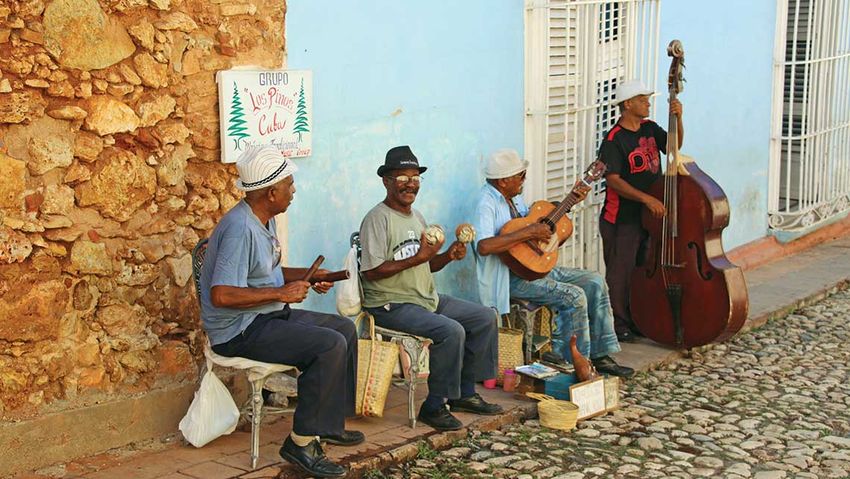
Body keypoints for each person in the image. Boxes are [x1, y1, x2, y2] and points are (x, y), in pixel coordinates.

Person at [198, 145, 361, 479]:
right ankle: (300, 443)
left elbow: (269, 273)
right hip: (238, 332)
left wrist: (312, 275)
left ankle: (326, 425)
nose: (294, 190)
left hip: (266, 315)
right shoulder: (239, 228)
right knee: (328, 346)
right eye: (289, 185)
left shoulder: (264, 219)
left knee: (344, 330)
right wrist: (281, 293)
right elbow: (221, 295)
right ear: (271, 192)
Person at [359, 145, 502, 432]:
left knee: (485, 317)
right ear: (386, 181)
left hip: (424, 299)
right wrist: (419, 257)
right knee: (450, 331)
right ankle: (434, 406)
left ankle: (464, 394)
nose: (410, 184)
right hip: (390, 304)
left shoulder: (417, 217)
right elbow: (371, 272)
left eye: (415, 178)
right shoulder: (377, 218)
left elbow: (426, 265)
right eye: (402, 178)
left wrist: (448, 255)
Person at [473, 149, 634, 378]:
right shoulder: (486, 203)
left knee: (595, 281)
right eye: (521, 175)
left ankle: (601, 354)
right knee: (574, 296)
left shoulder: (514, 196)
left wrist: (566, 204)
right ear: (504, 180)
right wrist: (529, 232)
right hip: (507, 278)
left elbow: (533, 223)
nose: (524, 179)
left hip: (533, 269)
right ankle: (574, 363)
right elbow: (484, 246)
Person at [597, 79, 683, 342]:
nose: (647, 102)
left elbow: (672, 147)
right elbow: (613, 180)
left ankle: (639, 319)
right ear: (627, 104)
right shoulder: (613, 140)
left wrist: (678, 119)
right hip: (621, 218)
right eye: (642, 99)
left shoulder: (649, 128)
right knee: (620, 274)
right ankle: (620, 325)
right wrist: (646, 199)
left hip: (649, 216)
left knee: (643, 269)